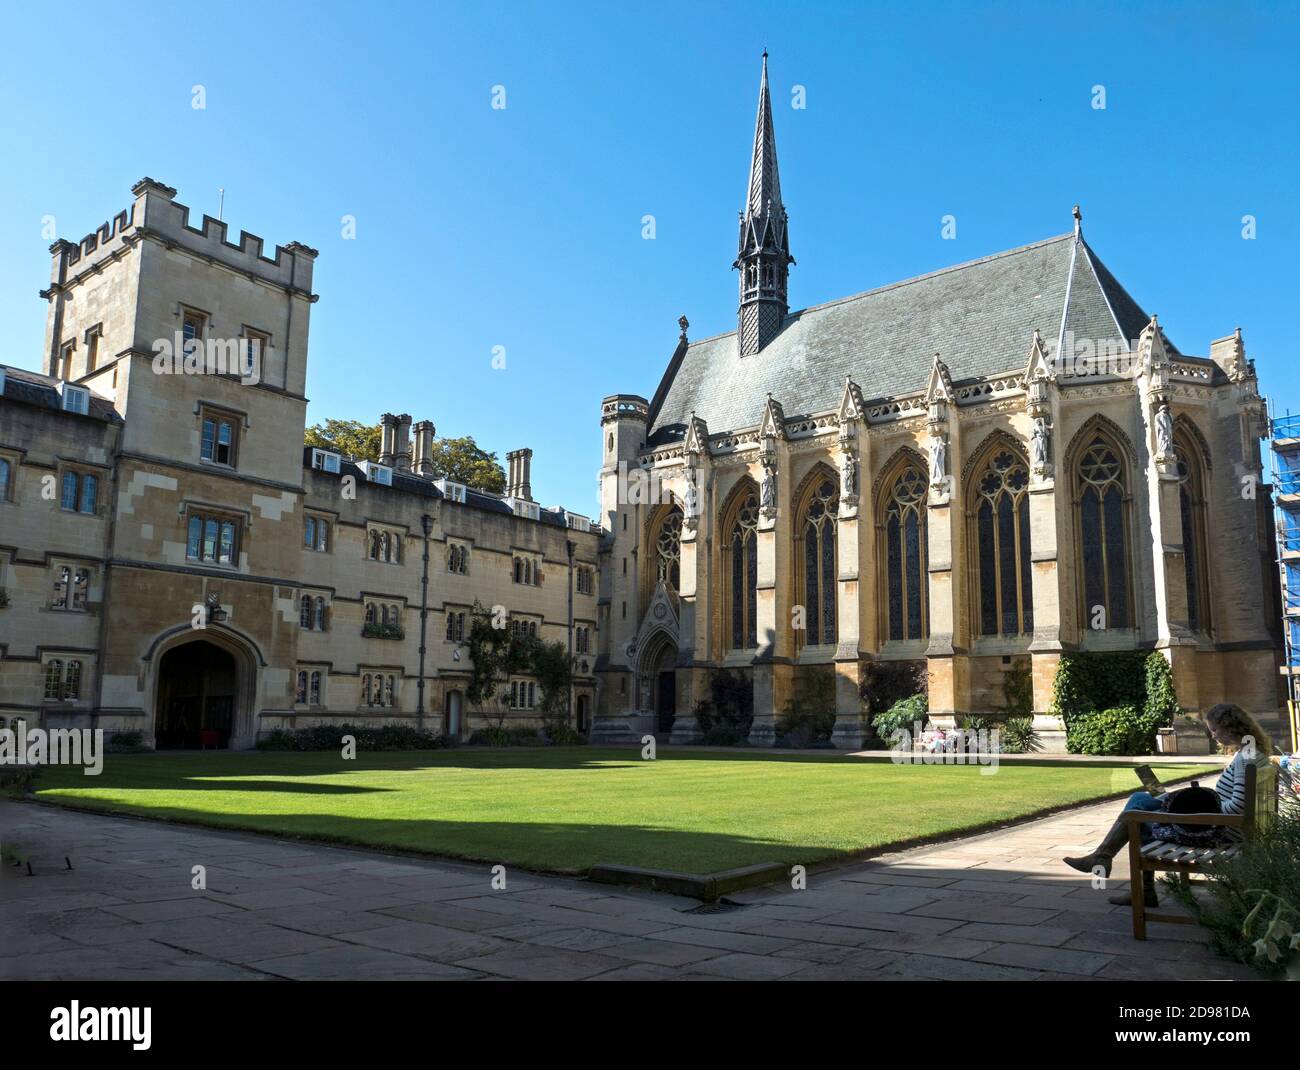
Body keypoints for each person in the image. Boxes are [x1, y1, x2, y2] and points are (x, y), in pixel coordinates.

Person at [1061, 703, 1273, 906]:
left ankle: (1114, 868)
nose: (1213, 735)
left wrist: (1196, 808)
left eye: (1215, 730)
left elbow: (1238, 809)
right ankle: (1107, 861)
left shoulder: (1246, 758)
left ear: (1229, 727)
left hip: (1219, 833)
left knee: (1139, 815)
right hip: (1225, 828)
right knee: (1144, 801)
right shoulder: (1250, 753)